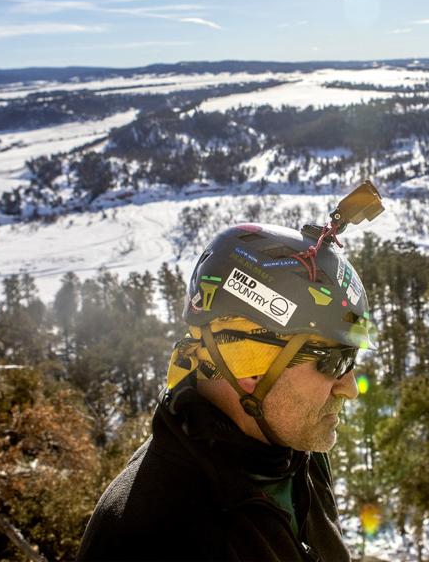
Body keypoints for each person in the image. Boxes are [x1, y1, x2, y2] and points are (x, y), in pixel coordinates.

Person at [78, 183, 383, 562]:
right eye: (333, 362)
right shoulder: (150, 537)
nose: (350, 388)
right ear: (249, 363)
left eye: (351, 360)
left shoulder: (294, 449)